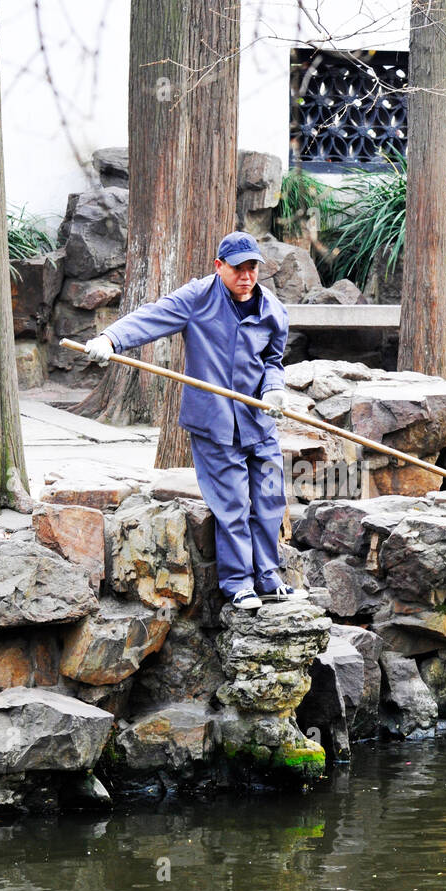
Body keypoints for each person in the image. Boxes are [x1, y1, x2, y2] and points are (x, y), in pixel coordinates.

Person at [84, 231, 301, 611]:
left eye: (253, 268)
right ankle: (238, 584)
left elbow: (273, 362)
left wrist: (274, 391)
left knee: (268, 499)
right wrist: (111, 339)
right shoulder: (197, 298)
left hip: (258, 421)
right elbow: (152, 316)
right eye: (238, 269)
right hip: (215, 422)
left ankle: (268, 577)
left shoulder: (273, 310)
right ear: (219, 268)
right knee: (232, 502)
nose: (247, 276)